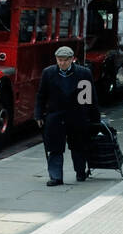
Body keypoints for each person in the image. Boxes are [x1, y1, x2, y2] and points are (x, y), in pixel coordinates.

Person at [36, 47, 97, 186]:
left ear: (72, 59)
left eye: (65, 60)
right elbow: (41, 96)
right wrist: (38, 115)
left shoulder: (83, 73)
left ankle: (80, 171)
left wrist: (94, 119)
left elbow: (89, 99)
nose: (62, 63)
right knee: (55, 148)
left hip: (77, 116)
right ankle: (56, 177)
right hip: (55, 117)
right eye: (59, 60)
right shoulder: (48, 73)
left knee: (78, 147)